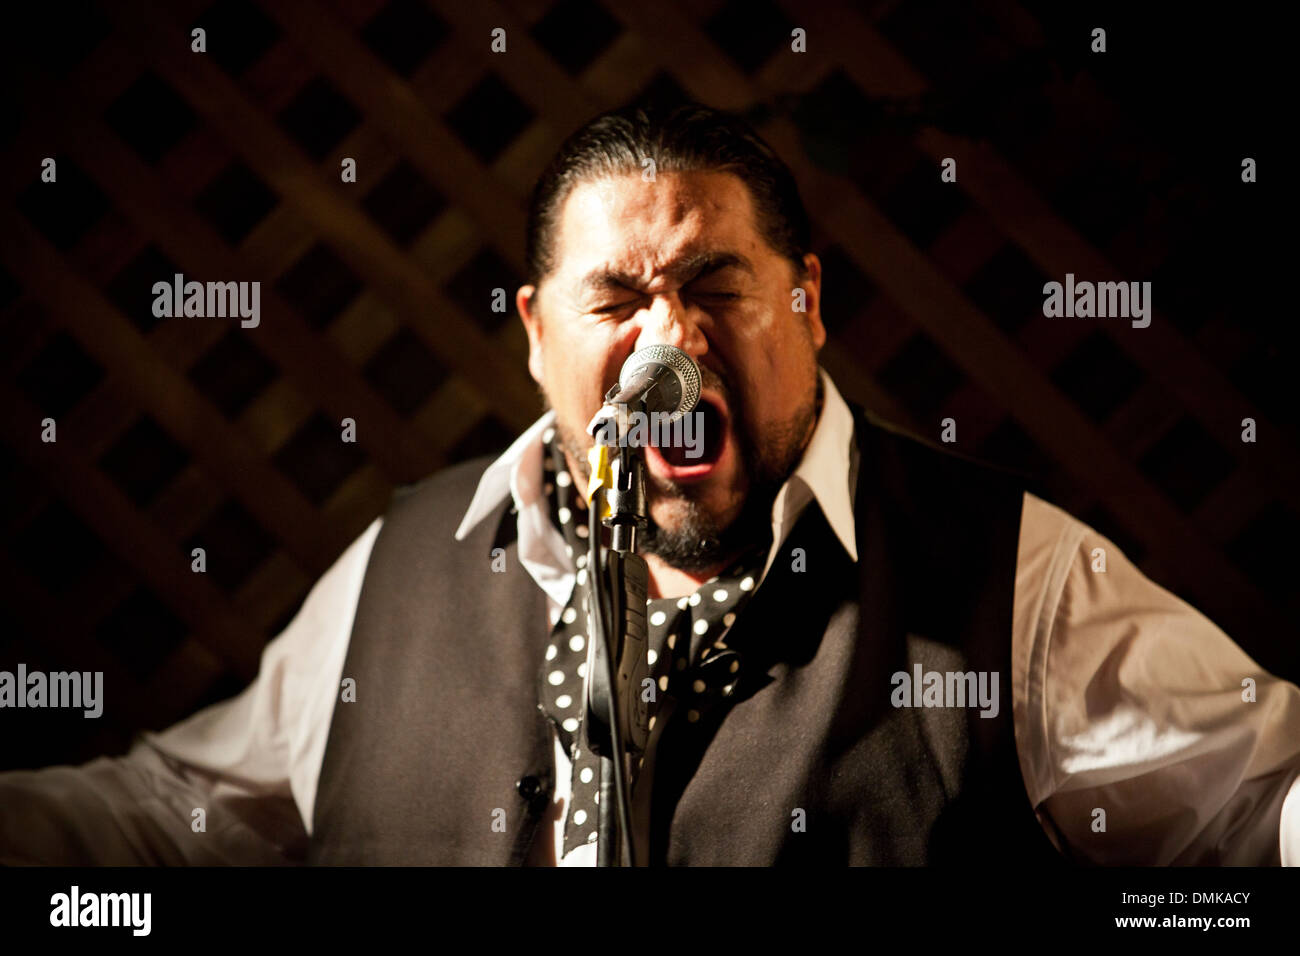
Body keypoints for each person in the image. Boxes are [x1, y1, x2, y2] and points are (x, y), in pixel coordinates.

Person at [2, 102, 1297, 866]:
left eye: (716, 288)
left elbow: (1263, 802)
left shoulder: (1015, 579)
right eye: (617, 298)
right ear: (532, 331)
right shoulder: (403, 565)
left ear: (807, 300)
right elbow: (180, 818)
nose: (669, 343)